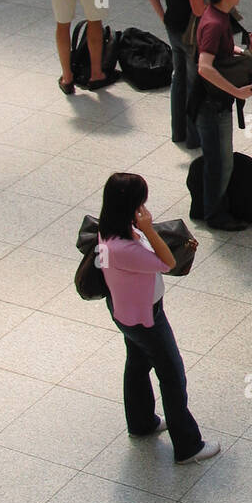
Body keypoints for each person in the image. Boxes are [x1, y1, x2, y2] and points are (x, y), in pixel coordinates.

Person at [97, 171, 218, 464]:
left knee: (137, 363)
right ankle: (188, 446)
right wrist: (149, 229)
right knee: (172, 375)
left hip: (123, 312)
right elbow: (167, 263)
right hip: (146, 318)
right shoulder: (124, 247)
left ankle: (141, 422)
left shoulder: (108, 230)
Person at [189, 0, 252, 231]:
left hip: (213, 102)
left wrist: (244, 51)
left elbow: (220, 55)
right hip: (211, 105)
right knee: (220, 162)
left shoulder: (217, 16)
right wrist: (237, 91)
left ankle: (211, 206)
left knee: (219, 160)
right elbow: (204, 66)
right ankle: (215, 214)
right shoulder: (215, 24)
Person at [144, 0, 205, 147]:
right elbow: (199, 9)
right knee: (192, 82)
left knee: (178, 78)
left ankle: (177, 131)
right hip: (190, 33)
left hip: (172, 27)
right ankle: (193, 136)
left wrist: (162, 15)